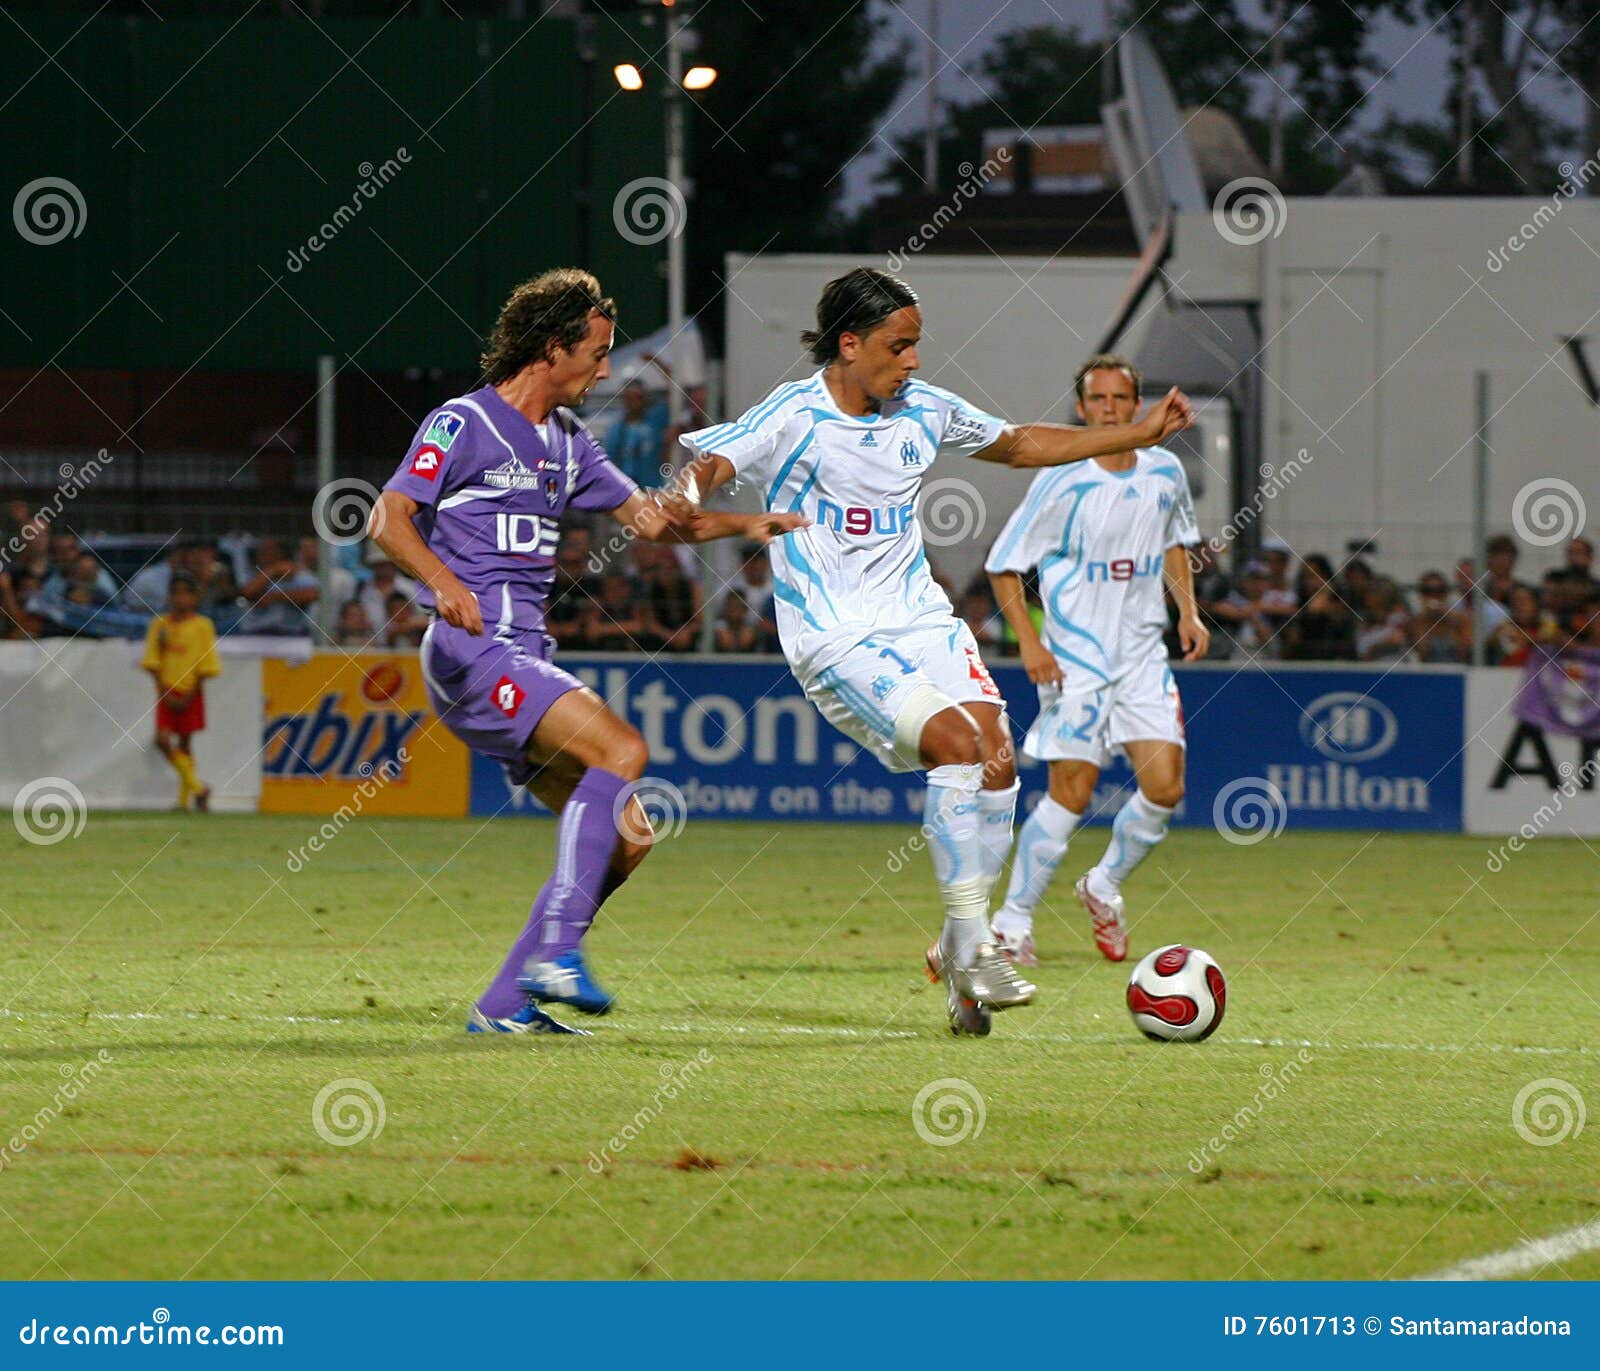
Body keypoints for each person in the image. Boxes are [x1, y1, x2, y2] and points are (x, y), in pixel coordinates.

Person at [676, 268, 1192, 1035]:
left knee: (998, 759)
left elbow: (1019, 444)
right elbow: (708, 468)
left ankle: (959, 955)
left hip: (922, 620)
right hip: (836, 634)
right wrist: (687, 499)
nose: (913, 361)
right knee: (955, 746)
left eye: (917, 344)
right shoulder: (793, 414)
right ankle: (977, 942)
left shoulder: (921, 408)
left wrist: (1137, 433)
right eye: (899, 345)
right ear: (849, 344)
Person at [369, 267, 803, 1036]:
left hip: (521, 655)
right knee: (623, 748)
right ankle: (557, 953)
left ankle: (504, 1005)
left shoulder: (570, 443)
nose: (607, 370)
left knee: (629, 834)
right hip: (472, 649)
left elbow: (653, 522)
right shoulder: (460, 424)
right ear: (551, 347)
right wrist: (439, 579)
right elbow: (389, 517)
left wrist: (747, 525)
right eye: (597, 353)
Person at [984, 353, 1206, 968]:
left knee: (1165, 787)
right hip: (1077, 658)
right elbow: (1003, 564)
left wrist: (1188, 613)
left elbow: (1175, 544)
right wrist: (1029, 643)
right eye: (1098, 400)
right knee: (1072, 791)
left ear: (1136, 404)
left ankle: (1103, 884)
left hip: (1141, 655)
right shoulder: (1061, 477)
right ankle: (1012, 923)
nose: (1110, 408)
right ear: (1082, 409)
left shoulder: (1164, 471)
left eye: (1120, 399)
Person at [139, 572, 221, 811]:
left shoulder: (202, 626)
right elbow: (152, 661)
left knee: (185, 743)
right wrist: (162, 689)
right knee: (162, 740)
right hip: (166, 691)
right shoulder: (160, 624)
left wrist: (191, 692)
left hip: (190, 693)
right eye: (175, 593)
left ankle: (185, 801)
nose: (179, 598)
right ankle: (198, 787)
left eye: (185, 592)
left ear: (195, 597)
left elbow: (207, 664)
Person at [238, 537, 318, 635]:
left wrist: (274, 597)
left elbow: (312, 594)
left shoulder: (297, 572)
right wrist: (273, 571)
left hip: (291, 632)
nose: (262, 555)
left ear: (280, 553)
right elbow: (247, 593)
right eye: (261, 552)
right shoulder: (253, 573)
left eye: (268, 551)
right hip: (257, 631)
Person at [601, 378, 668, 489]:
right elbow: (608, 462)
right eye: (629, 398)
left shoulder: (656, 421)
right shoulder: (616, 430)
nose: (634, 402)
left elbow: (677, 393)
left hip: (652, 488)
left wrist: (656, 362)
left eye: (638, 397)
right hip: (626, 491)